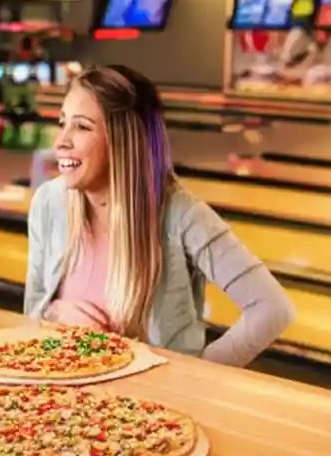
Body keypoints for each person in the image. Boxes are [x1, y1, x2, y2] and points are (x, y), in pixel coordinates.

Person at [24, 64, 295, 366]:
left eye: (82, 127)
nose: (61, 141)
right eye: (63, 123)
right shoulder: (48, 204)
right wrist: (51, 313)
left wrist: (197, 375)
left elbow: (272, 309)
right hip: (63, 390)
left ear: (122, 139)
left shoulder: (182, 215)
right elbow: (31, 316)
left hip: (149, 395)